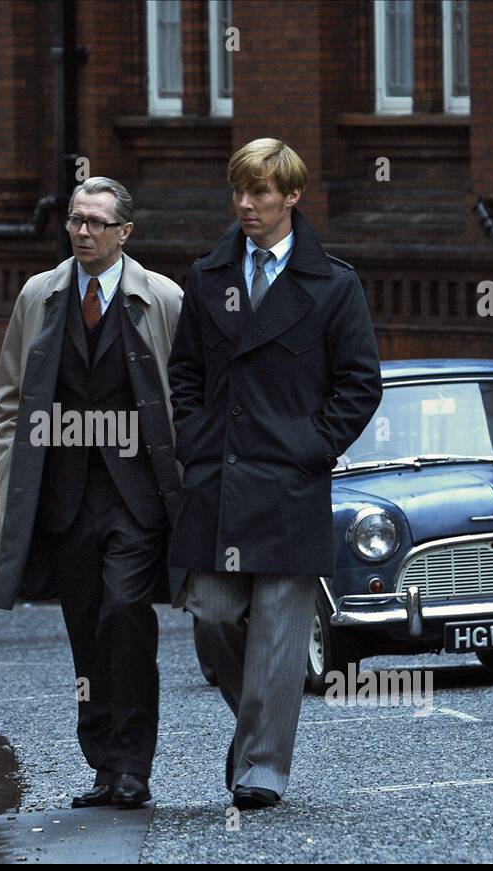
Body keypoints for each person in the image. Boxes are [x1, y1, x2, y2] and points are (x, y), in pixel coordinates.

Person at [167, 138, 382, 810]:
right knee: (216, 619)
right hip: (221, 481)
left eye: (260, 192)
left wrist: (310, 447)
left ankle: (262, 765)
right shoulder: (208, 277)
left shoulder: (333, 283)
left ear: (292, 196)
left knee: (282, 634)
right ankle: (253, 726)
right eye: (239, 191)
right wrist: (199, 441)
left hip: (290, 483)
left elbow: (360, 382)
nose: (246, 205)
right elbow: (184, 377)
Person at [0, 177, 185, 809]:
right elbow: (10, 397)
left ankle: (134, 766)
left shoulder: (165, 299)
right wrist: (17, 473)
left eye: (97, 223)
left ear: (125, 232)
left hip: (136, 495)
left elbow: (187, 393)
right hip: (64, 496)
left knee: (125, 615)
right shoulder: (39, 296)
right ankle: (103, 765)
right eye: (75, 221)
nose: (84, 232)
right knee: (84, 634)